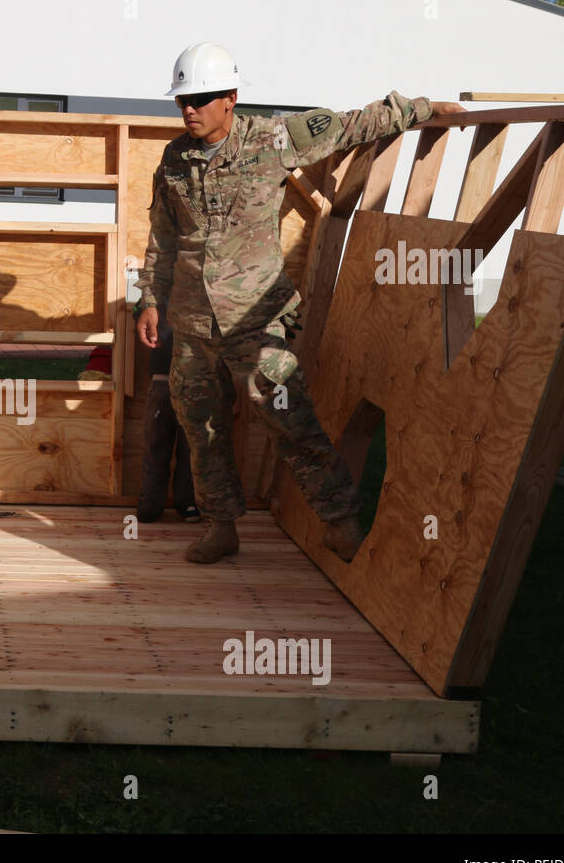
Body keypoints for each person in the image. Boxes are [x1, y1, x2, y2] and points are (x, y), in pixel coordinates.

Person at [135, 42, 465, 564]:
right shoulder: (175, 159)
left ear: (231, 98)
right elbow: (163, 237)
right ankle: (221, 527)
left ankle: (340, 522)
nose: (189, 109)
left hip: (256, 321)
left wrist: (425, 109)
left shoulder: (272, 139)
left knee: (292, 422)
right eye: (183, 100)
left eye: (200, 98)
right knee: (201, 428)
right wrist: (148, 299)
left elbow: (352, 124)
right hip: (195, 325)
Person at [135, 304, 199, 523]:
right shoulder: (156, 300)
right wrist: (150, 307)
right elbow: (139, 312)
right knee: (155, 446)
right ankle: (150, 504)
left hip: (196, 385)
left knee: (190, 449)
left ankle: (188, 503)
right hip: (162, 382)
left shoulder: (204, 299)